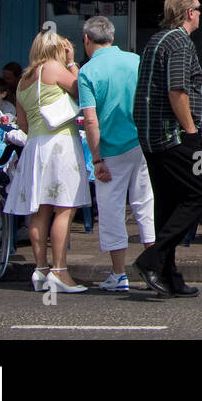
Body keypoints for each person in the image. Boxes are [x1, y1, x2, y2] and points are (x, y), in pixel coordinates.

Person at [131, 0, 202, 299]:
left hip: (151, 137)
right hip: (174, 135)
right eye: (199, 8)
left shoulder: (156, 40)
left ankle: (167, 274)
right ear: (189, 12)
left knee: (168, 203)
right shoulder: (179, 42)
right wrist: (191, 132)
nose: (201, 14)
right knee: (200, 194)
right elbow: (176, 90)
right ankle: (152, 259)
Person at [3, 30, 90, 295]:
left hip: (35, 147)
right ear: (58, 50)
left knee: (39, 210)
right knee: (65, 208)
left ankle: (40, 269)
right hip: (60, 143)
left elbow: (23, 123)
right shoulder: (52, 68)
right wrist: (73, 62)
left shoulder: (23, 80)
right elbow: (81, 90)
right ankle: (60, 271)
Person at [78, 15, 154, 293]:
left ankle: (119, 274)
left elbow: (90, 120)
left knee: (111, 211)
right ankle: (153, 269)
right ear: (112, 37)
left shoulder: (87, 71)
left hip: (110, 149)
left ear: (87, 39)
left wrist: (96, 158)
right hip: (141, 144)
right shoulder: (135, 61)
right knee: (145, 206)